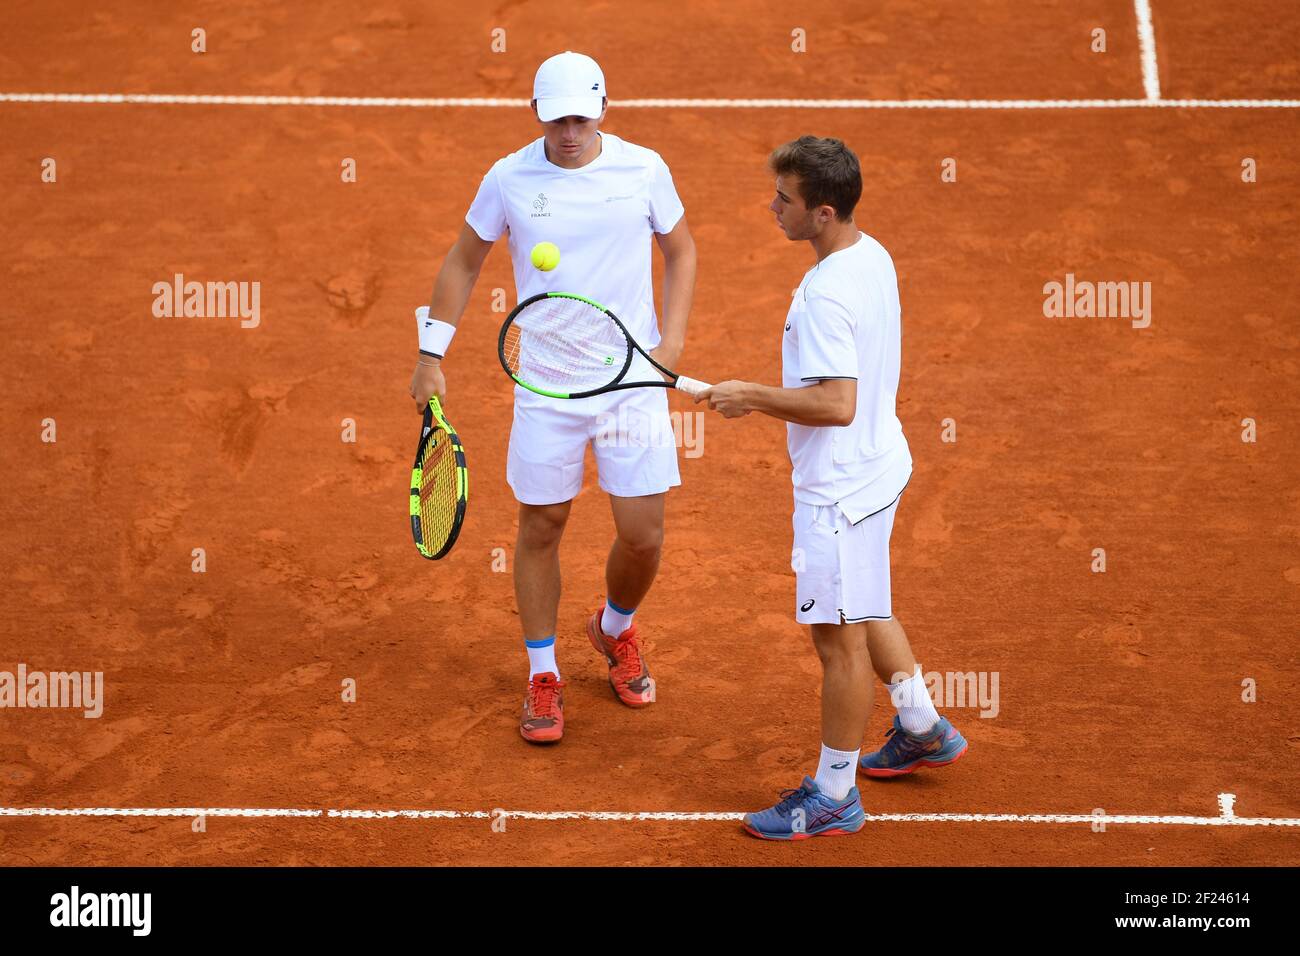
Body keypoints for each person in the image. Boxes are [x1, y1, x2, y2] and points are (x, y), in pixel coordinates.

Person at [408, 51, 697, 744]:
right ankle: (543, 674)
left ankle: (614, 628)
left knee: (643, 534)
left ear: (602, 109)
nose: (569, 132)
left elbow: (681, 250)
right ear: (537, 115)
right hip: (545, 384)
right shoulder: (509, 178)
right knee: (543, 524)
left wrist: (674, 344)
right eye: (556, 119)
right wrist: (429, 353)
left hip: (630, 381)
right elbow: (463, 259)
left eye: (580, 117)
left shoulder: (643, 169)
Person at [698, 136, 967, 840]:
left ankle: (834, 795)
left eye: (783, 199)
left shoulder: (822, 295)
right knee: (864, 595)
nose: (771, 207)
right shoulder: (869, 253)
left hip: (839, 489)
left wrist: (750, 396)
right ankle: (921, 725)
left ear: (821, 211)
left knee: (836, 641)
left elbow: (835, 402)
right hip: (881, 466)